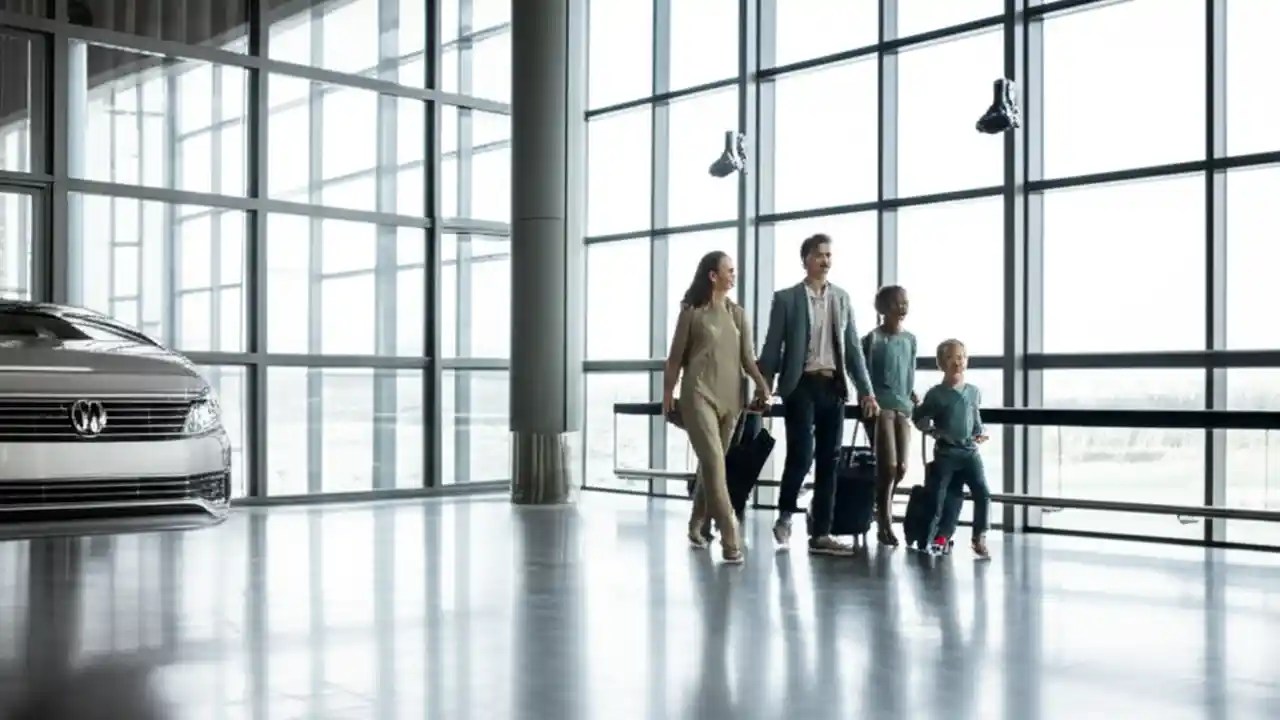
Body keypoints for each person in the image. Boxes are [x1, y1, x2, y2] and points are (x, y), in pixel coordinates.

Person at [759, 233, 878, 556]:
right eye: (820, 255)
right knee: (802, 453)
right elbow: (772, 348)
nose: (826, 260)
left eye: (829, 255)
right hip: (800, 385)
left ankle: (821, 533)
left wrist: (866, 391)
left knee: (830, 459)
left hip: (833, 386)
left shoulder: (841, 298)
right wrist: (763, 387)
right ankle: (785, 515)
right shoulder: (786, 299)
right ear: (806, 260)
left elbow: (853, 350)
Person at [664, 251, 771, 564]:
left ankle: (697, 522)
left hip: (731, 401)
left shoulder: (738, 314)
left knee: (713, 467)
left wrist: (763, 387)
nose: (733, 275)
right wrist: (668, 393)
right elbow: (674, 359)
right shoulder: (691, 311)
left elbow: (748, 360)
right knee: (713, 464)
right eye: (729, 270)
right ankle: (730, 537)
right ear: (713, 275)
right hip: (698, 395)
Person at [911, 339, 992, 559]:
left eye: (961, 357)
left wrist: (979, 431)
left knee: (982, 493)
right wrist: (932, 432)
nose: (957, 363)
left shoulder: (973, 392)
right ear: (941, 363)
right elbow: (919, 417)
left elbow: (975, 418)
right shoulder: (936, 394)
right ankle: (934, 537)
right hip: (946, 453)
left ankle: (979, 537)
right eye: (950, 358)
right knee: (941, 497)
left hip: (969, 451)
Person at [861, 285, 919, 547]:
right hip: (880, 407)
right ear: (883, 309)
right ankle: (885, 521)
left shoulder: (910, 340)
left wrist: (912, 393)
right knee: (889, 466)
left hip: (902, 406)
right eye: (896, 303)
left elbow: (907, 371)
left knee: (903, 467)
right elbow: (860, 372)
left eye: (905, 302)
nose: (902, 308)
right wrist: (866, 397)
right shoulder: (872, 340)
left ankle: (879, 506)